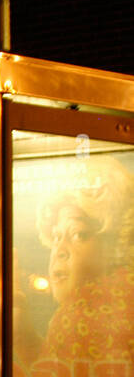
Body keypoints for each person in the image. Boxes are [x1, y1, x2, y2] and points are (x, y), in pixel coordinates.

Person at [35, 156, 134, 364]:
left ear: (115, 243)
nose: (59, 251)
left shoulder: (77, 315)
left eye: (78, 235)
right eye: (55, 237)